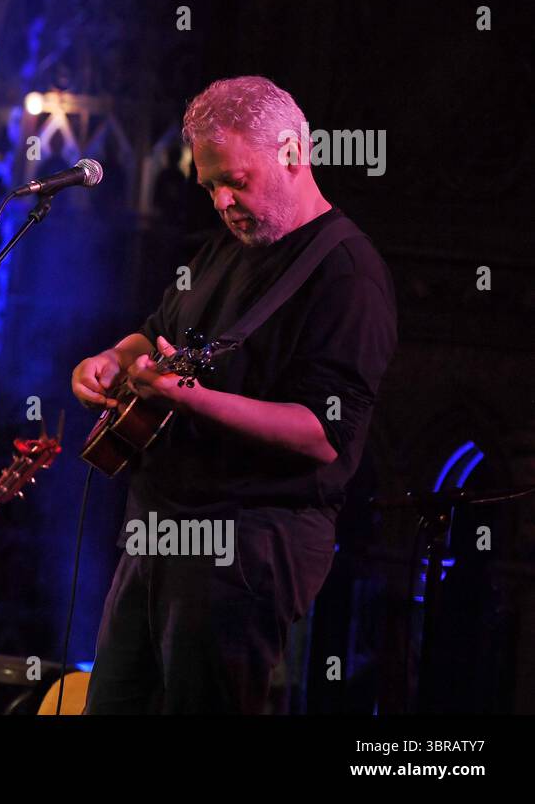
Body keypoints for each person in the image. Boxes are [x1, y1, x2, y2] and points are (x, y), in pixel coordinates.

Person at [70, 76, 397, 713]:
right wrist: (109, 360)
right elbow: (157, 335)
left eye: (236, 181)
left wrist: (192, 399)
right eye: (209, 185)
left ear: (293, 153)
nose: (222, 200)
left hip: (244, 545)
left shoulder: (348, 275)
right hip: (158, 528)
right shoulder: (231, 244)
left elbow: (323, 434)